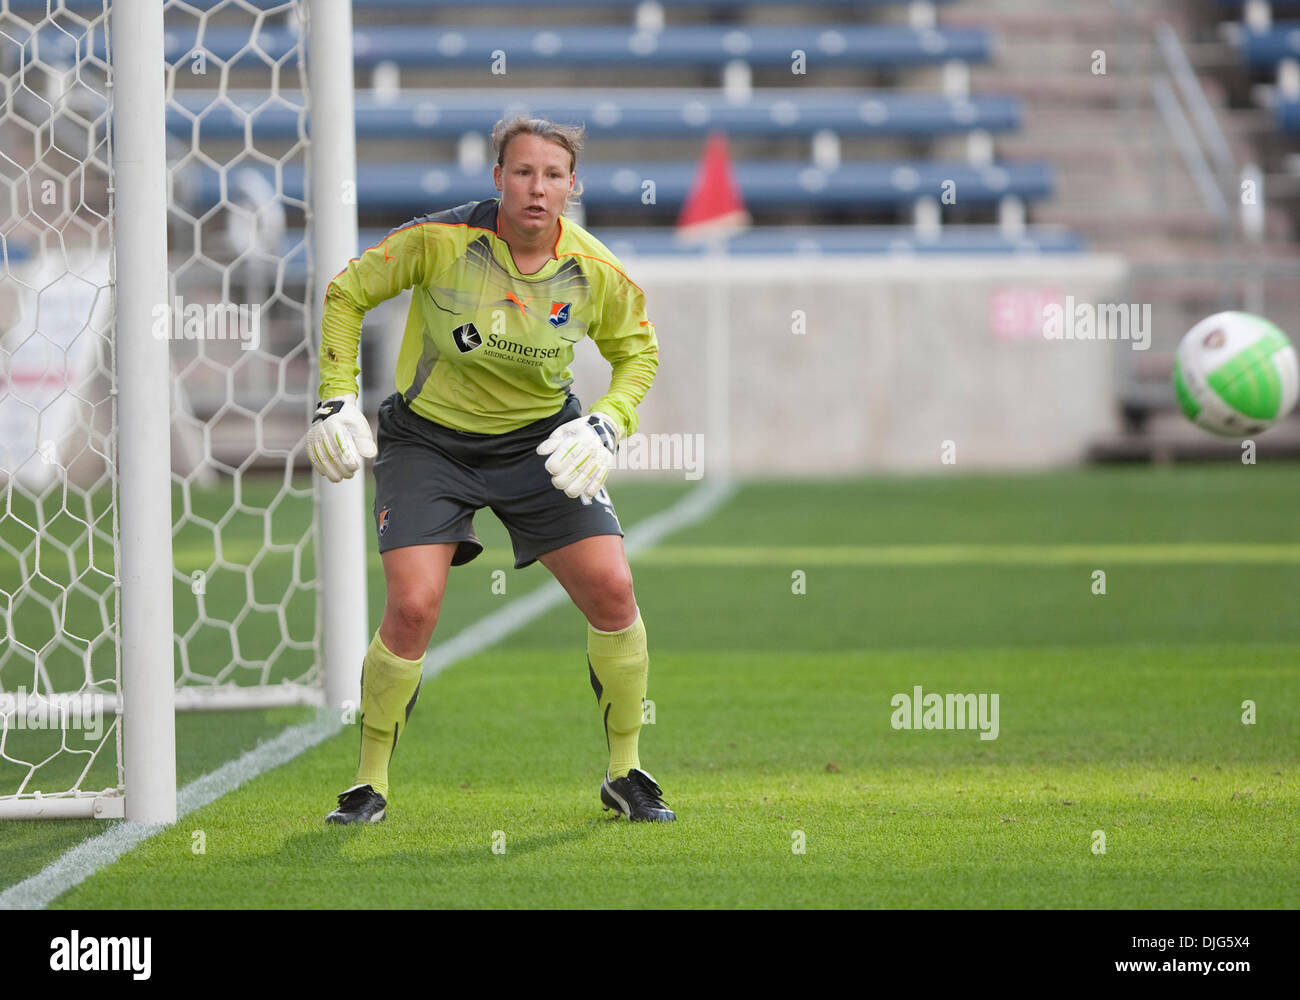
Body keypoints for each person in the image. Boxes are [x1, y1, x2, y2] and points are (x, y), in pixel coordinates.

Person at [305, 116, 674, 824]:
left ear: (573, 187)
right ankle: (368, 783)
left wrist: (607, 422)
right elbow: (346, 293)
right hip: (428, 444)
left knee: (614, 588)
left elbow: (639, 357)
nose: (538, 189)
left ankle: (626, 771)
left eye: (554, 176)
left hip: (541, 443)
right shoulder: (437, 242)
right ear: (498, 178)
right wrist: (335, 396)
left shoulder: (597, 272)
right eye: (524, 172)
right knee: (413, 606)